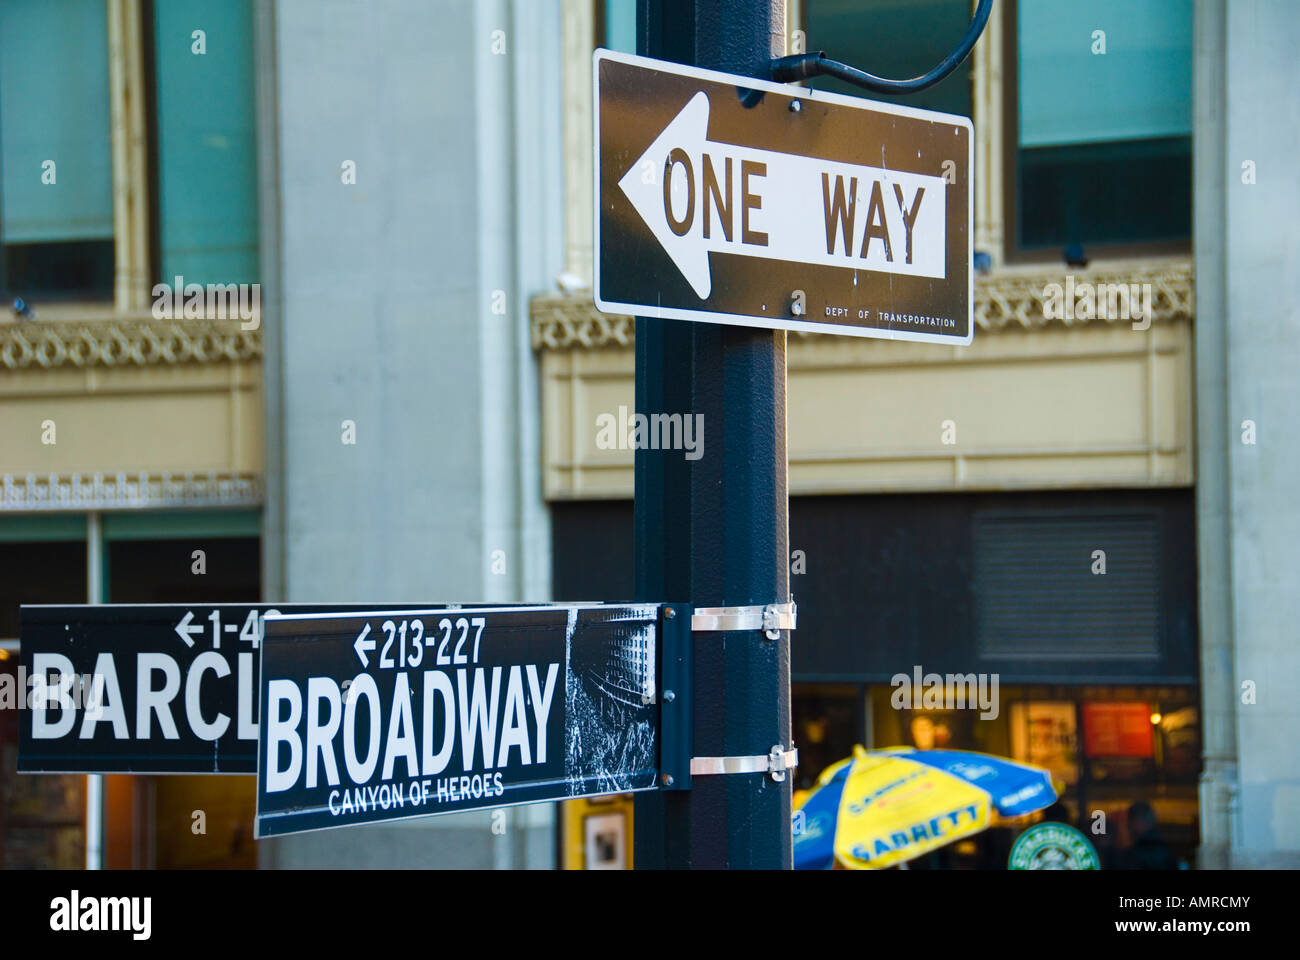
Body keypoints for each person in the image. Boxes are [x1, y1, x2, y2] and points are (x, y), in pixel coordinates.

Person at [1119, 801, 1179, 870]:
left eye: (1129, 822)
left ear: (1138, 821)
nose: (1128, 827)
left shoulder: (1134, 854)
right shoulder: (1167, 851)